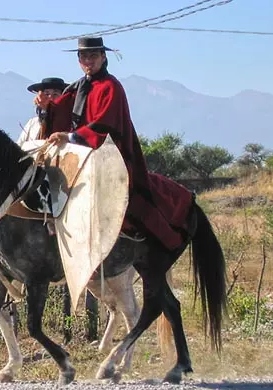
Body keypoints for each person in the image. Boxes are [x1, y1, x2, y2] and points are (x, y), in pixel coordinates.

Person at [34, 36, 194, 252]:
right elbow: (59, 110)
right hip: (81, 153)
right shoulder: (77, 87)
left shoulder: (111, 87)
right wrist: (45, 108)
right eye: (83, 57)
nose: (88, 61)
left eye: (92, 56)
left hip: (106, 154)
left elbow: (105, 126)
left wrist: (71, 137)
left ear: (103, 57)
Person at [17, 77, 68, 147]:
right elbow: (19, 146)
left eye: (55, 94)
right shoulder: (32, 123)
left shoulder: (69, 123)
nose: (50, 98)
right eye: (46, 94)